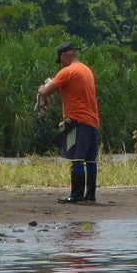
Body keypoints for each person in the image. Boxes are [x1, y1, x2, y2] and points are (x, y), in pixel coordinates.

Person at [36, 42, 100, 204]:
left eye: (60, 59)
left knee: (77, 159)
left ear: (64, 55)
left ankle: (76, 195)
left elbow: (46, 92)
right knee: (90, 160)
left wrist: (41, 87)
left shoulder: (67, 71)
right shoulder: (86, 70)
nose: (61, 63)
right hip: (92, 121)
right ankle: (90, 195)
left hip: (77, 121)